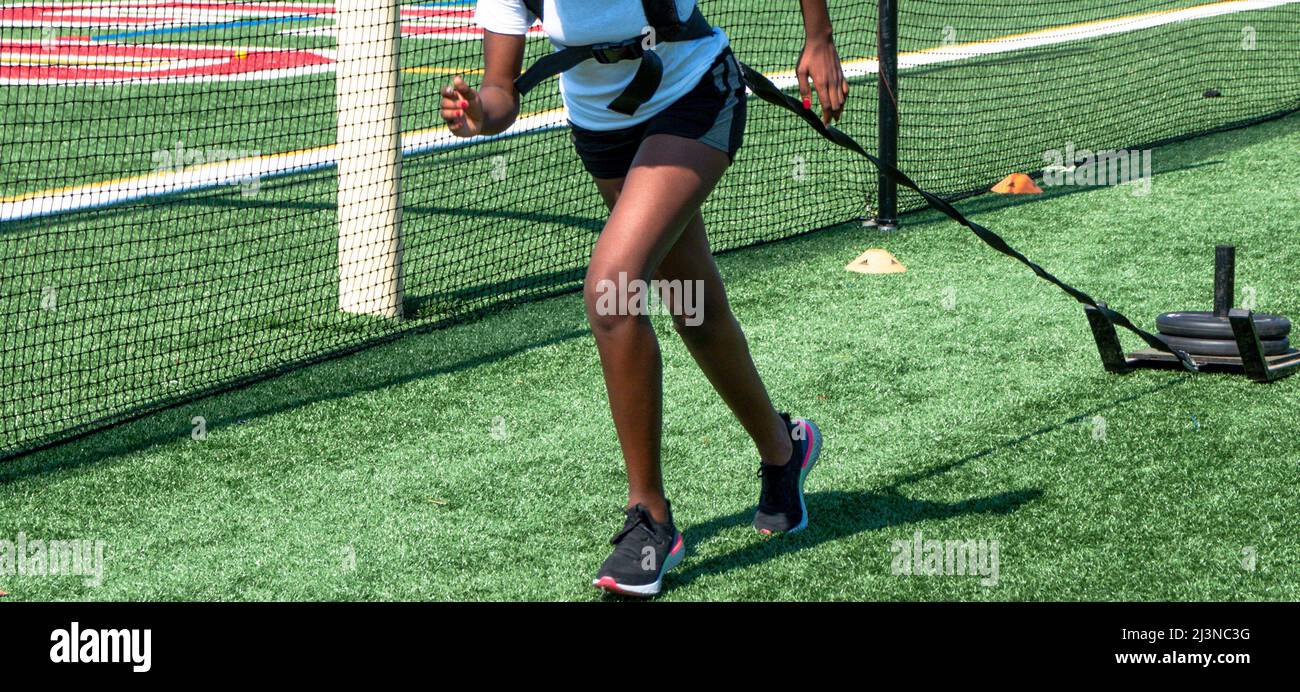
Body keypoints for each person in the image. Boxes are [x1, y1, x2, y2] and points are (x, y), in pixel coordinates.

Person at [443, 0, 847, 597]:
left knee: (612, 289)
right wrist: (481, 112)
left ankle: (650, 520)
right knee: (691, 303)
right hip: (603, 130)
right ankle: (782, 449)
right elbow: (502, 89)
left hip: (694, 99)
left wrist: (820, 37)